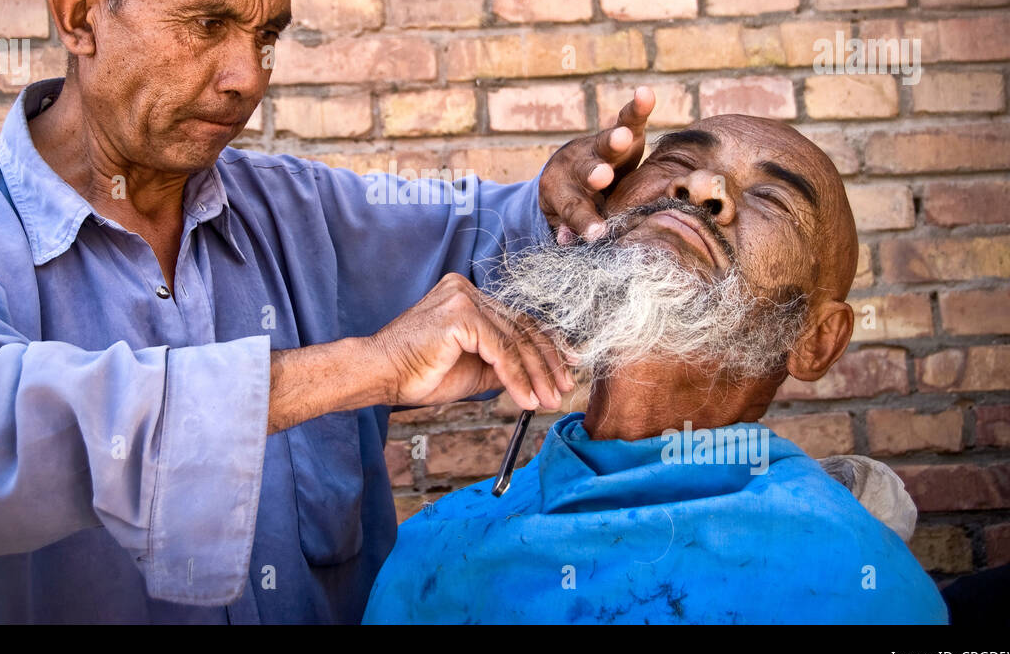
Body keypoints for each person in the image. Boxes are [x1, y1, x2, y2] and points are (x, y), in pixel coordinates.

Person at [0, 0, 663, 623]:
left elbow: (502, 237)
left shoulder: (302, 211)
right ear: (79, 17)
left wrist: (564, 194)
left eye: (267, 36)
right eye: (207, 25)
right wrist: (363, 367)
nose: (246, 78)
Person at [363, 114, 949, 624]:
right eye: (678, 160)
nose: (701, 187)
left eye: (773, 199)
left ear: (817, 341)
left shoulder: (855, 582)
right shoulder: (435, 547)